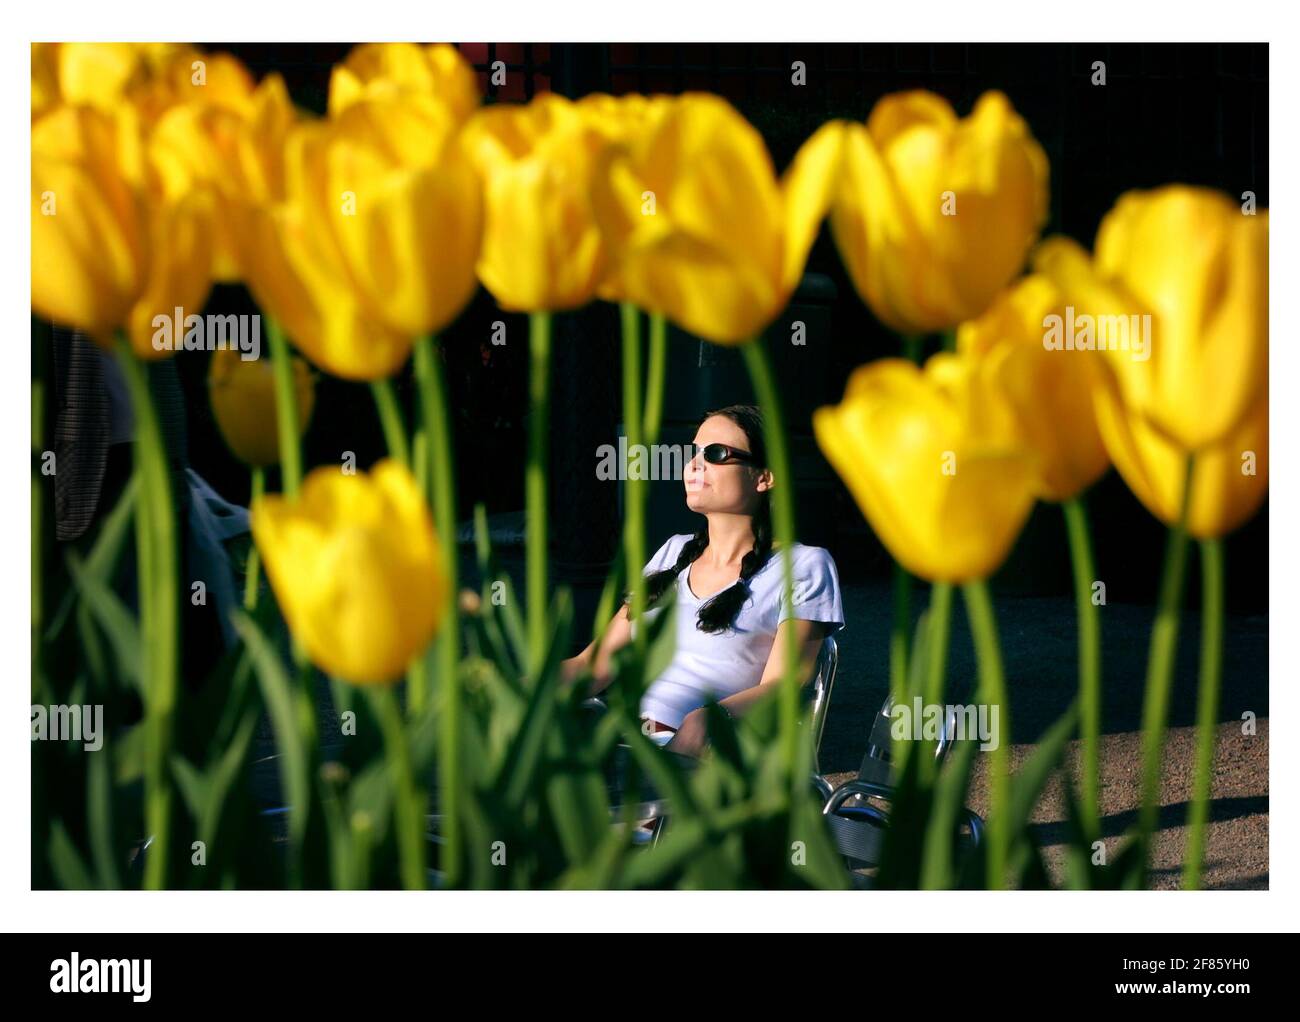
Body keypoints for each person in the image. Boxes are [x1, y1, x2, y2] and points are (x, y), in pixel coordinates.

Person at [562, 404, 845, 757]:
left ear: (764, 477)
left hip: (705, 753)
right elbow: (596, 665)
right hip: (621, 739)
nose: (694, 465)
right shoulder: (673, 552)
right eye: (693, 453)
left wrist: (709, 719)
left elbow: (785, 685)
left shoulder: (804, 565)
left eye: (715, 454)